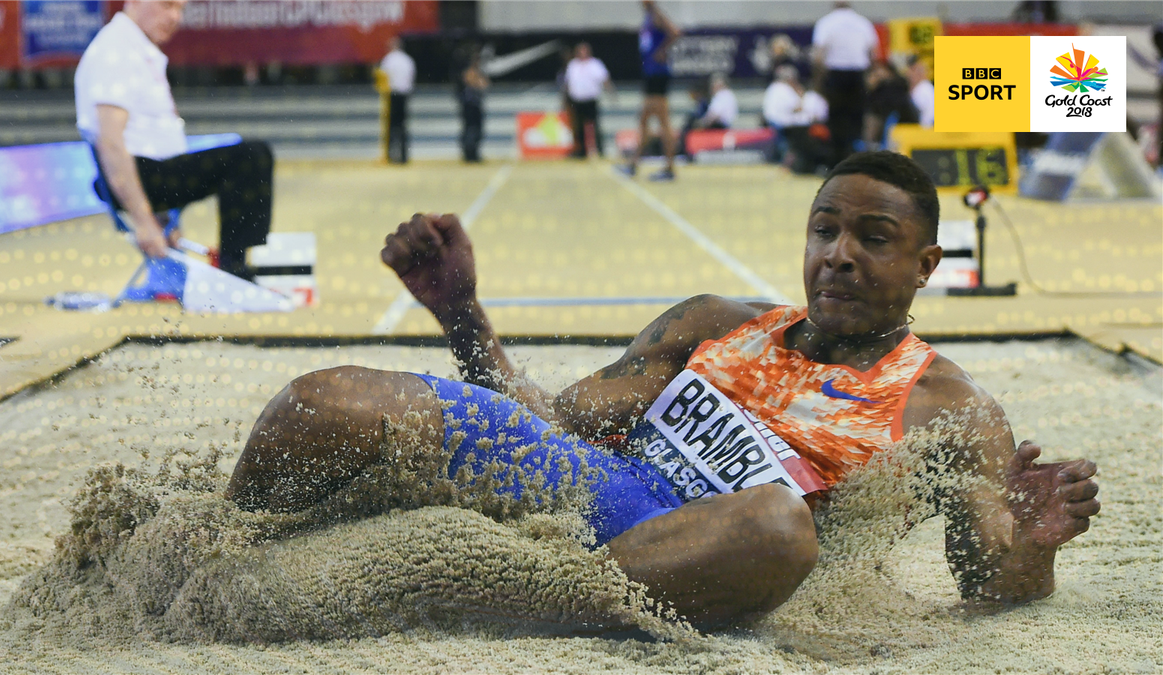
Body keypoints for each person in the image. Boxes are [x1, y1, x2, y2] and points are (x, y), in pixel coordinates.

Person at [226, 151, 1100, 627]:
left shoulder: (954, 410)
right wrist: (462, 315)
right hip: (586, 487)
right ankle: (216, 547)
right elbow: (551, 422)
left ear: (925, 264)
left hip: (721, 552)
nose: (838, 254)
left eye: (873, 237)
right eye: (825, 229)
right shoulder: (715, 321)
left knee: (776, 521)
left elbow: (990, 581)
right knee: (325, 397)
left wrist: (1038, 545)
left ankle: (480, 594)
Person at [74, 0, 273, 279]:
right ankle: (233, 267)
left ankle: (233, 262)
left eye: (180, 9)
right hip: (144, 173)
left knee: (250, 156)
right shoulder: (115, 51)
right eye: (167, 5)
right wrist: (144, 222)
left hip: (157, 172)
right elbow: (110, 143)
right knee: (251, 157)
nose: (175, 17)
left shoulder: (137, 48)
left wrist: (167, 222)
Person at [812, 1, 880, 165]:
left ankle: (837, 161)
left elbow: (819, 57)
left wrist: (818, 82)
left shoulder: (826, 23)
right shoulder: (863, 23)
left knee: (836, 120)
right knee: (856, 119)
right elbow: (873, 54)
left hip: (836, 77)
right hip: (857, 77)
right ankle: (855, 159)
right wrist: (871, 78)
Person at [622, 0, 681, 181]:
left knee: (663, 122)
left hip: (657, 75)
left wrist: (662, 50)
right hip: (650, 75)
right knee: (644, 119)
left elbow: (675, 32)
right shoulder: (649, 17)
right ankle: (633, 164)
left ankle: (669, 168)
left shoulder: (657, 15)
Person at [763, 65, 832, 174]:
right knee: (801, 137)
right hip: (783, 123)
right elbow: (797, 107)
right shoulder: (783, 89)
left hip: (775, 121)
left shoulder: (773, 87)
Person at [563, 42, 611, 159]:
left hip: (591, 100)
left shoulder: (595, 64)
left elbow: (604, 79)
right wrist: (566, 99)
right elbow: (568, 83)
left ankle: (600, 150)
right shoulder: (573, 65)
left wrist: (610, 92)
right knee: (578, 127)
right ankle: (581, 151)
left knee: (595, 126)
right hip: (577, 101)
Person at [379, 37, 416, 164]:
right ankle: (404, 155)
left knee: (392, 126)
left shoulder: (388, 60)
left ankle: (390, 155)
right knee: (403, 126)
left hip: (392, 95)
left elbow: (383, 78)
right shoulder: (408, 60)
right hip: (404, 95)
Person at [459, 53, 488, 163]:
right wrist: (478, 80)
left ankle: (474, 153)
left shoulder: (477, 73)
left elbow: (485, 84)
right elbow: (477, 83)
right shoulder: (470, 72)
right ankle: (469, 154)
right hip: (470, 106)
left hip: (476, 105)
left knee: (477, 130)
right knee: (471, 129)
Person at [907, 58, 935, 129]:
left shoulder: (924, 88)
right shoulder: (919, 87)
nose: (911, 75)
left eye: (915, 71)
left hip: (926, 128)